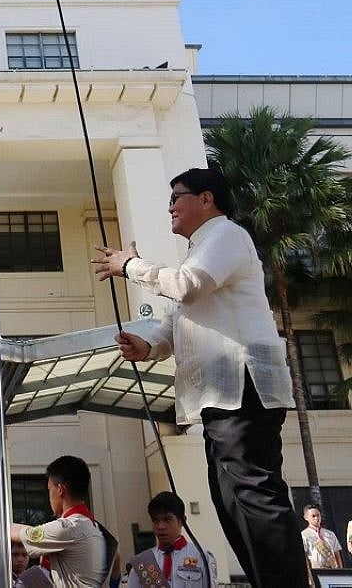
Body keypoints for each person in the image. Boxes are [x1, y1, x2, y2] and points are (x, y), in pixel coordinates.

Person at [91, 167, 309, 588]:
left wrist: (130, 265)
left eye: (177, 197)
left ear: (206, 199)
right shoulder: (199, 251)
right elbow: (177, 321)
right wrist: (148, 346)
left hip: (243, 387)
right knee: (231, 501)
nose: (170, 206)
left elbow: (187, 288)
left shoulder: (226, 236)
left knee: (253, 496)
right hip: (220, 396)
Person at [0, 455, 115, 587]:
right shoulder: (91, 527)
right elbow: (30, 531)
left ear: (60, 490)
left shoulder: (70, 528)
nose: (49, 498)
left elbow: (20, 533)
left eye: (49, 491)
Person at [127, 492, 217, 588]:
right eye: (155, 520)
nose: (160, 526)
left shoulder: (201, 556)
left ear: (182, 521)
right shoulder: (142, 562)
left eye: (167, 520)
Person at [302, 504, 343, 569]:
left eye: (318, 515)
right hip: (317, 570)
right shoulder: (304, 535)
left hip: (333, 569)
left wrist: (341, 571)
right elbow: (305, 557)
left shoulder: (330, 534)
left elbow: (337, 554)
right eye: (313, 516)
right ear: (306, 517)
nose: (317, 518)